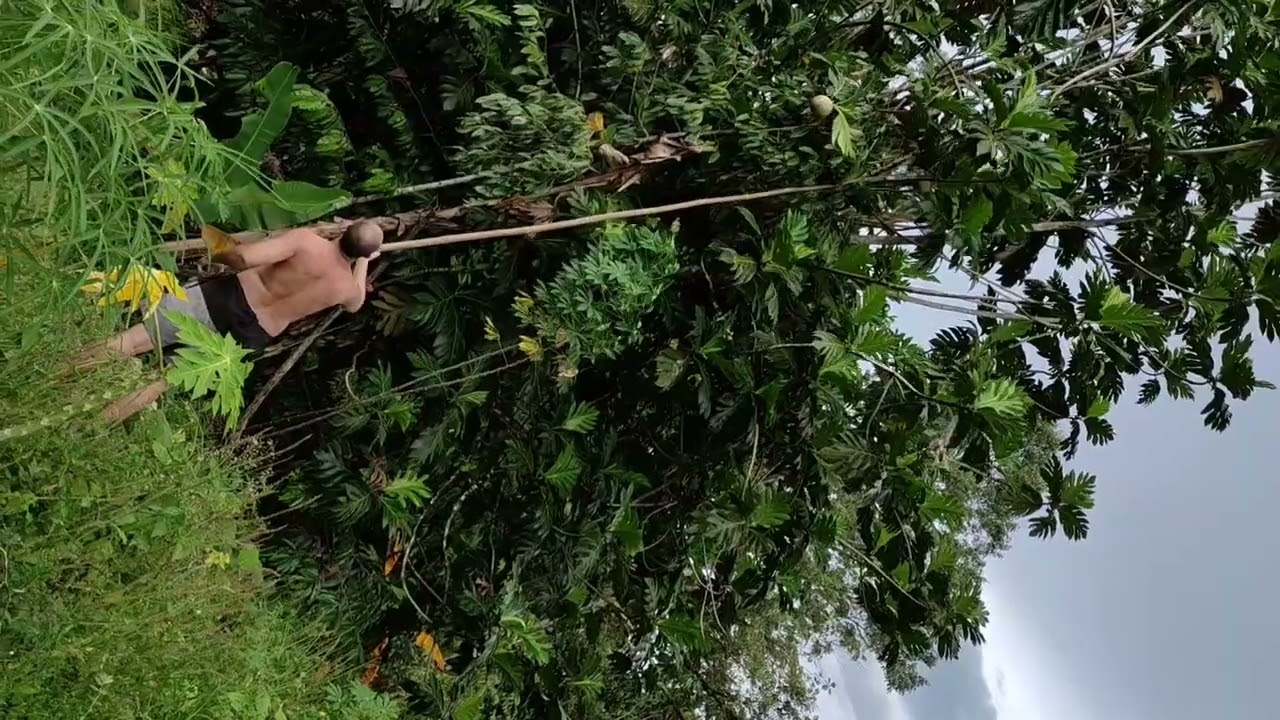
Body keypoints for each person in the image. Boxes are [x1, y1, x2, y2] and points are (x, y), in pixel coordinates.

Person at [90, 219, 384, 422]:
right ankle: (92, 425)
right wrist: (364, 260)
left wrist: (220, 255)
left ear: (345, 229)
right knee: (163, 380)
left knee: (136, 340)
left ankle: (66, 367)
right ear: (367, 254)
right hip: (251, 335)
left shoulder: (306, 241)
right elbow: (357, 301)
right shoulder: (346, 288)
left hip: (225, 299)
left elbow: (244, 258)